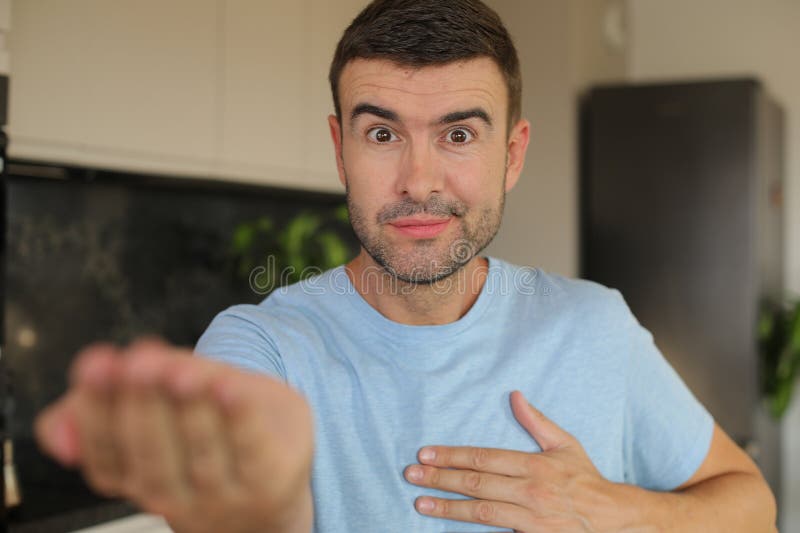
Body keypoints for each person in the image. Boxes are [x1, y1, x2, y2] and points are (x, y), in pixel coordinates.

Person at [35, 0, 778, 532]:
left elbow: (752, 502)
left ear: (512, 153)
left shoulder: (596, 325)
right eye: (383, 132)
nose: (419, 180)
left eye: (457, 133)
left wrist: (618, 511)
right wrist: (258, 493)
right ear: (340, 149)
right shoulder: (263, 347)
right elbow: (245, 503)